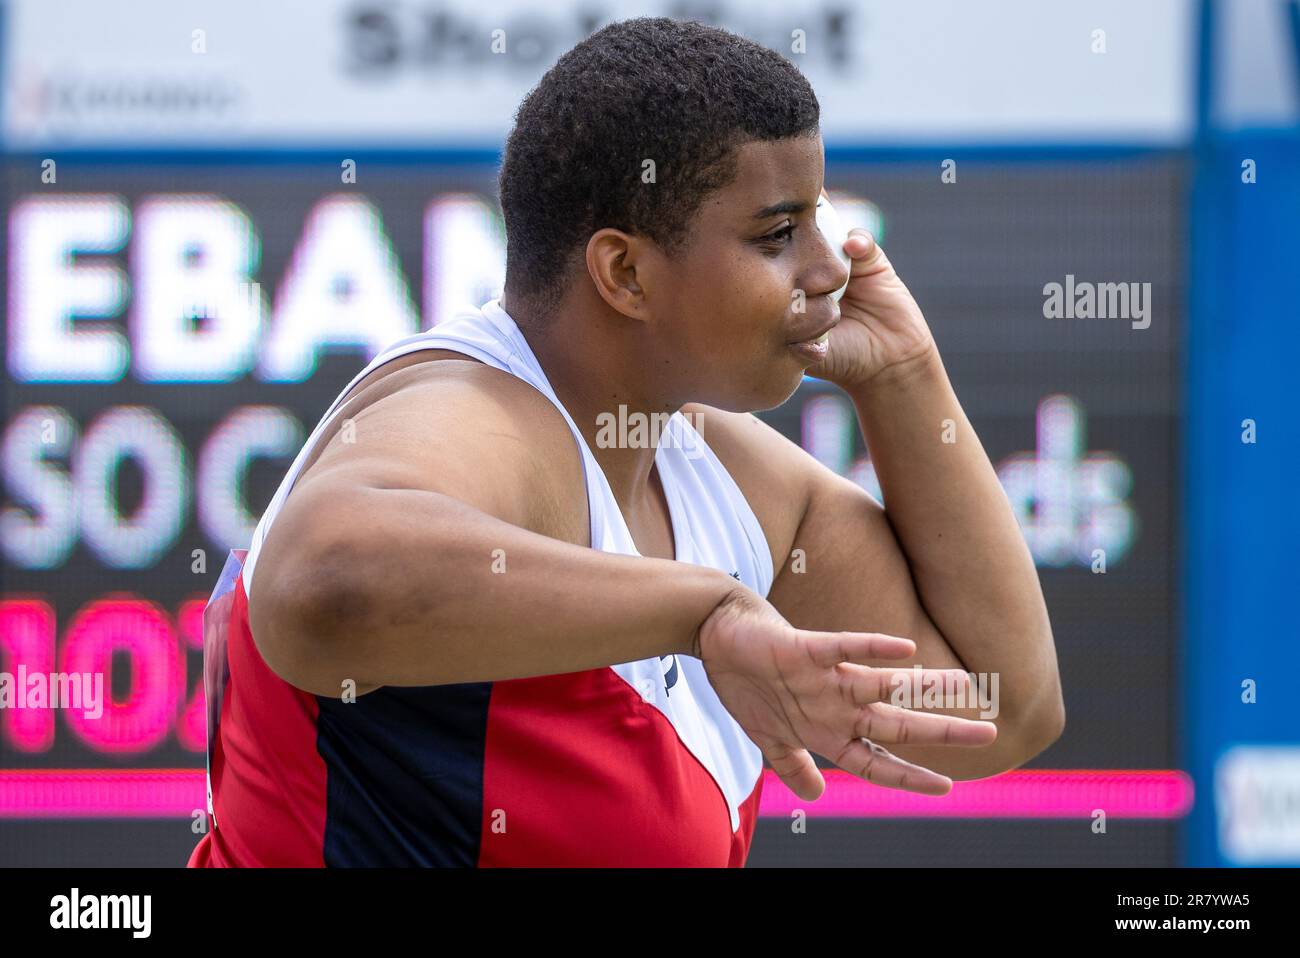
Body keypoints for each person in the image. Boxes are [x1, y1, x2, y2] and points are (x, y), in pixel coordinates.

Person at [187, 16, 1063, 868]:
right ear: (626, 273)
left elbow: (1000, 712)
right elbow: (322, 587)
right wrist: (705, 614)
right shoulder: (481, 415)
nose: (830, 268)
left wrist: (904, 376)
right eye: (775, 235)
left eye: (820, 220)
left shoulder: (727, 476)